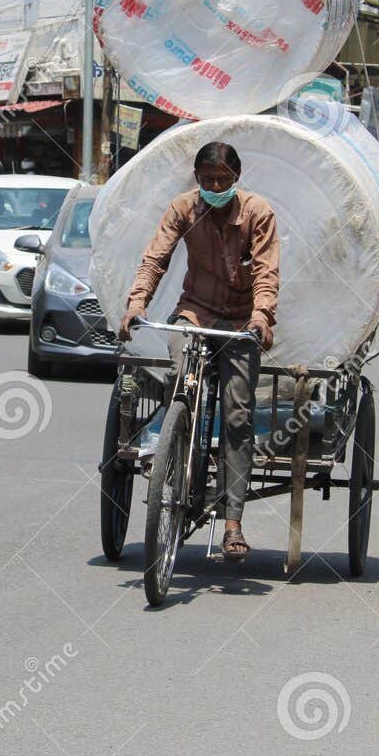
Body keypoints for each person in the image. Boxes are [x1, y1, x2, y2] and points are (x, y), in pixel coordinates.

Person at [119, 142, 279, 563]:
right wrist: (137, 304)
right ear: (196, 178)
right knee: (180, 372)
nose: (214, 186)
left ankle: (232, 523)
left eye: (223, 180)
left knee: (237, 412)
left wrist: (262, 317)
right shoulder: (183, 208)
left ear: (236, 179)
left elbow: (266, 272)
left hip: (242, 321)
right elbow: (156, 259)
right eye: (207, 180)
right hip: (195, 311)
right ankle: (175, 447)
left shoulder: (258, 213)